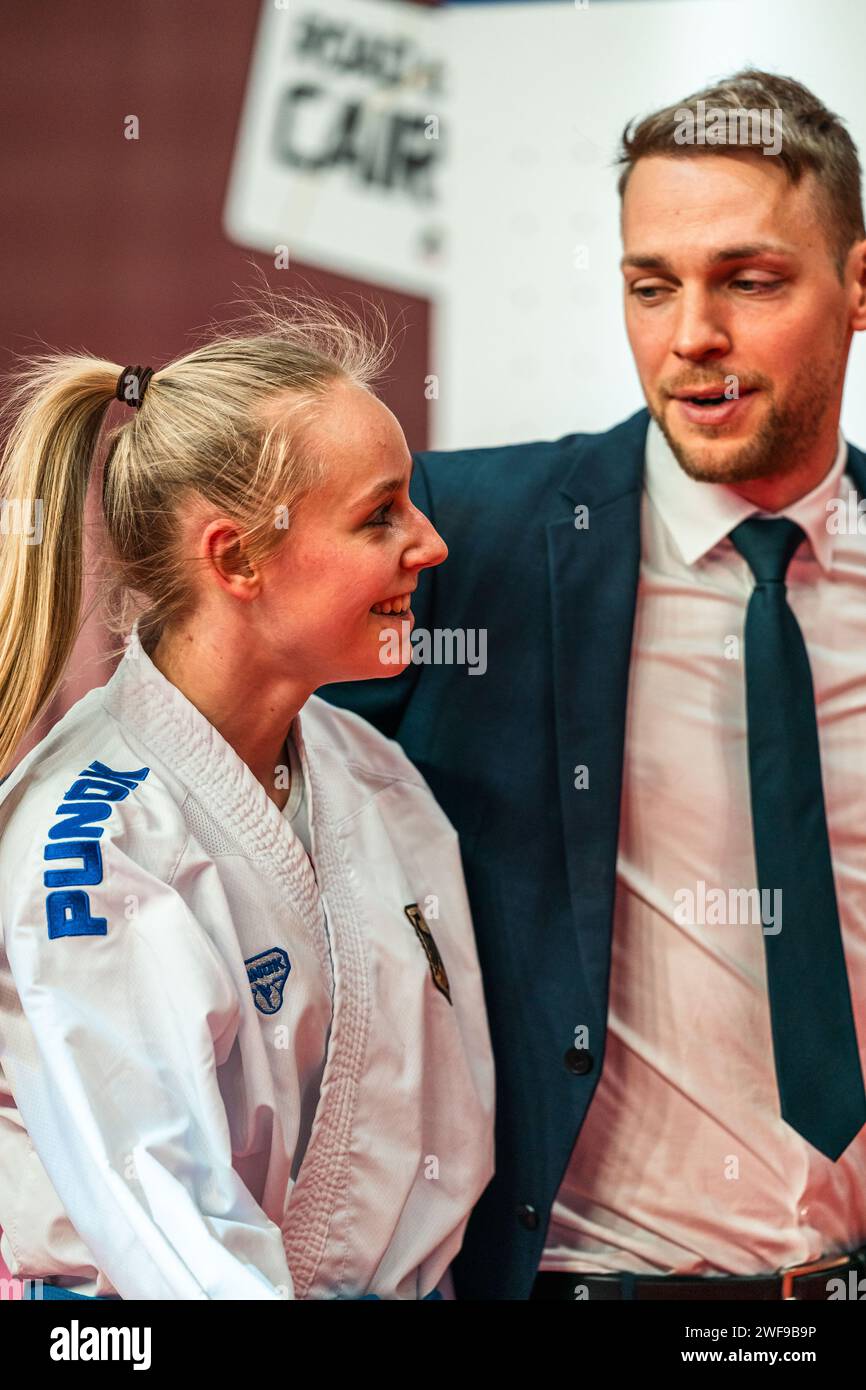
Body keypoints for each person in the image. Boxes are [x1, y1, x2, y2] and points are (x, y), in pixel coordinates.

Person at [318, 67, 866, 1301]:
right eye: (649, 285)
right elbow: (248, 826)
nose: (690, 338)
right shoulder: (462, 537)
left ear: (856, 288)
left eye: (749, 280)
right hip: (577, 1278)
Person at [0, 298, 495, 1300]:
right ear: (235, 557)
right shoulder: (90, 833)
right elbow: (162, 1222)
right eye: (379, 515)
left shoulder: (372, 775)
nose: (430, 543)